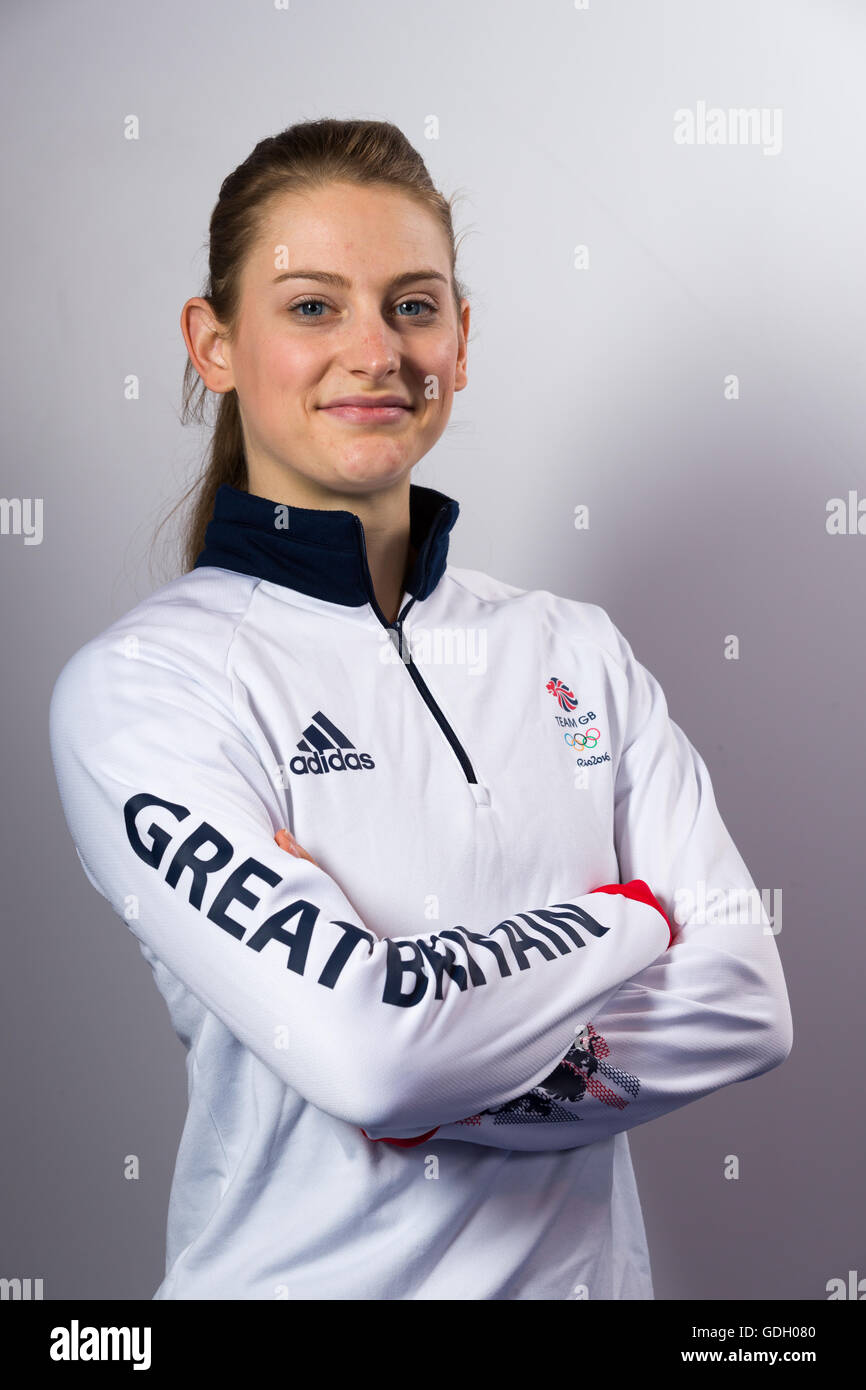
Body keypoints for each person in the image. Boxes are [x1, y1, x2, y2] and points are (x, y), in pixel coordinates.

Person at [48, 118, 793, 1301]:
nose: (373, 351)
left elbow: (748, 1003)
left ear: (459, 336)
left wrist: (433, 1025)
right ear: (213, 343)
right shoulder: (146, 688)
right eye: (309, 307)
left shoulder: (573, 649)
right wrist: (633, 917)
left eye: (411, 304)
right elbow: (364, 1053)